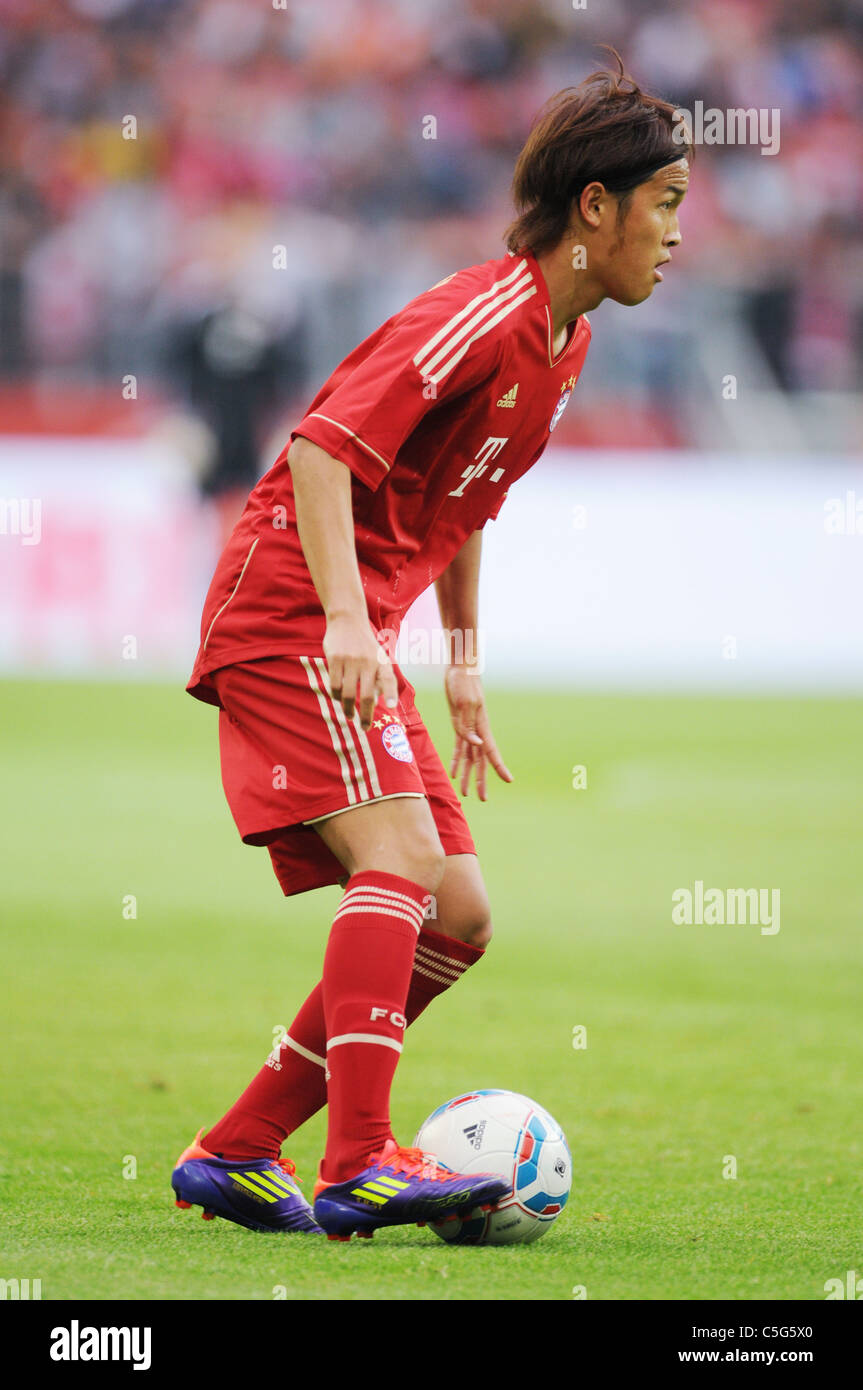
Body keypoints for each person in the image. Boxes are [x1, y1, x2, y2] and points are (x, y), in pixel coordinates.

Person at [171, 56, 690, 1240]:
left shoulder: (563, 347)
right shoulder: (481, 313)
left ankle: (242, 1146)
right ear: (594, 208)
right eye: (662, 205)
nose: (672, 237)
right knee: (397, 854)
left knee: (456, 914)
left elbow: (459, 505)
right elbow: (320, 445)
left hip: (360, 622)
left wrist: (460, 663)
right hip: (293, 610)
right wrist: (352, 620)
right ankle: (358, 1159)